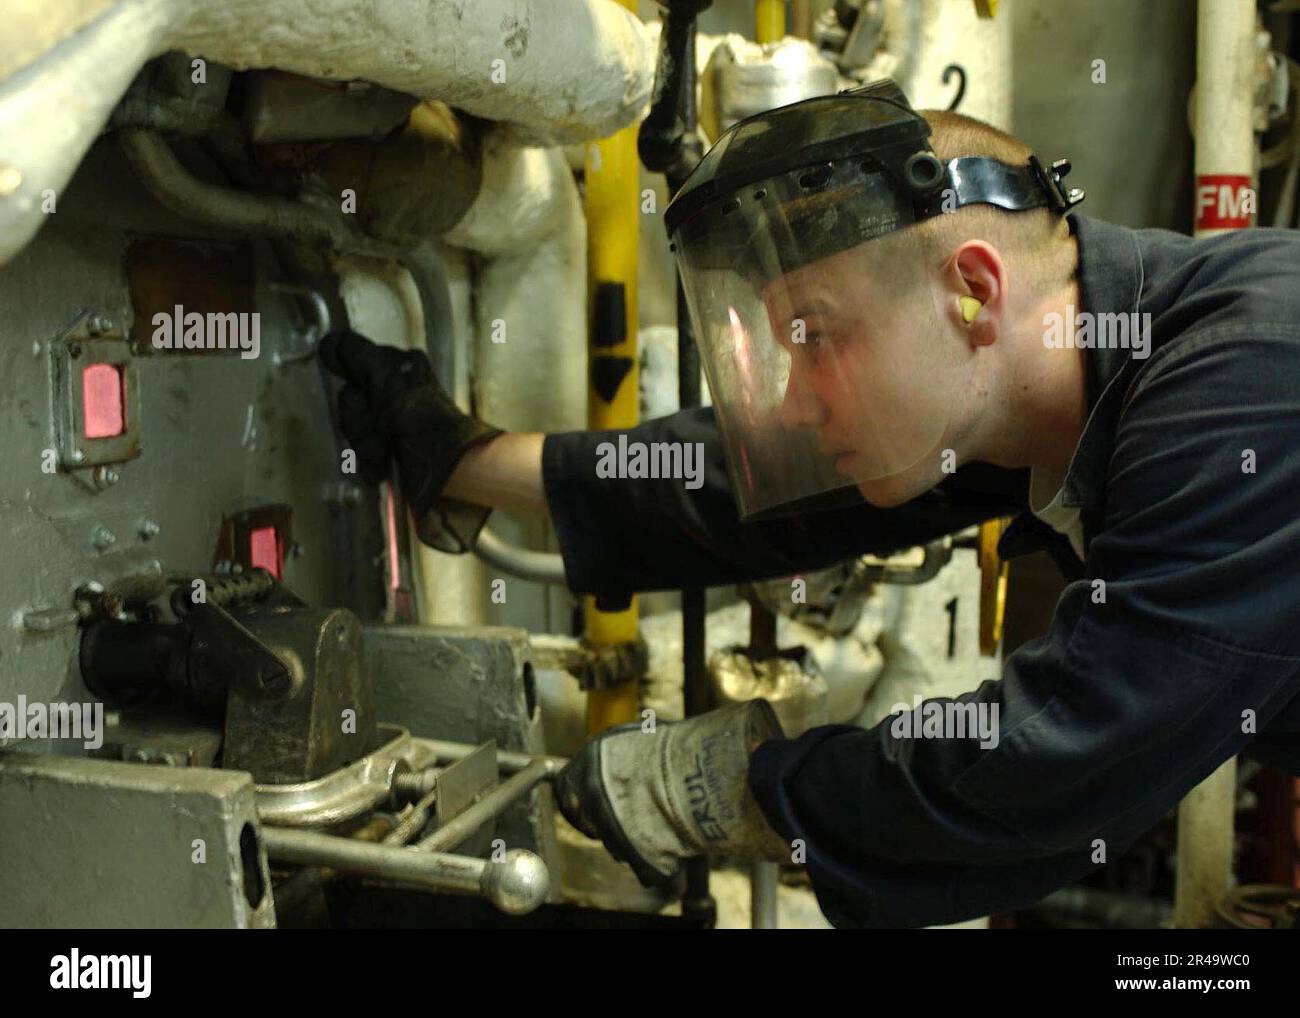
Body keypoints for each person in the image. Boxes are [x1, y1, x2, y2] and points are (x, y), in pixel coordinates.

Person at [320, 80, 1300, 928]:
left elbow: (1061, 762)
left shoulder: (1253, 375)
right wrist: (466, 462)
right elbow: (762, 488)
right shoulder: (1063, 386)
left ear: (970, 289)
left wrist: (728, 792)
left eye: (814, 336)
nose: (791, 397)